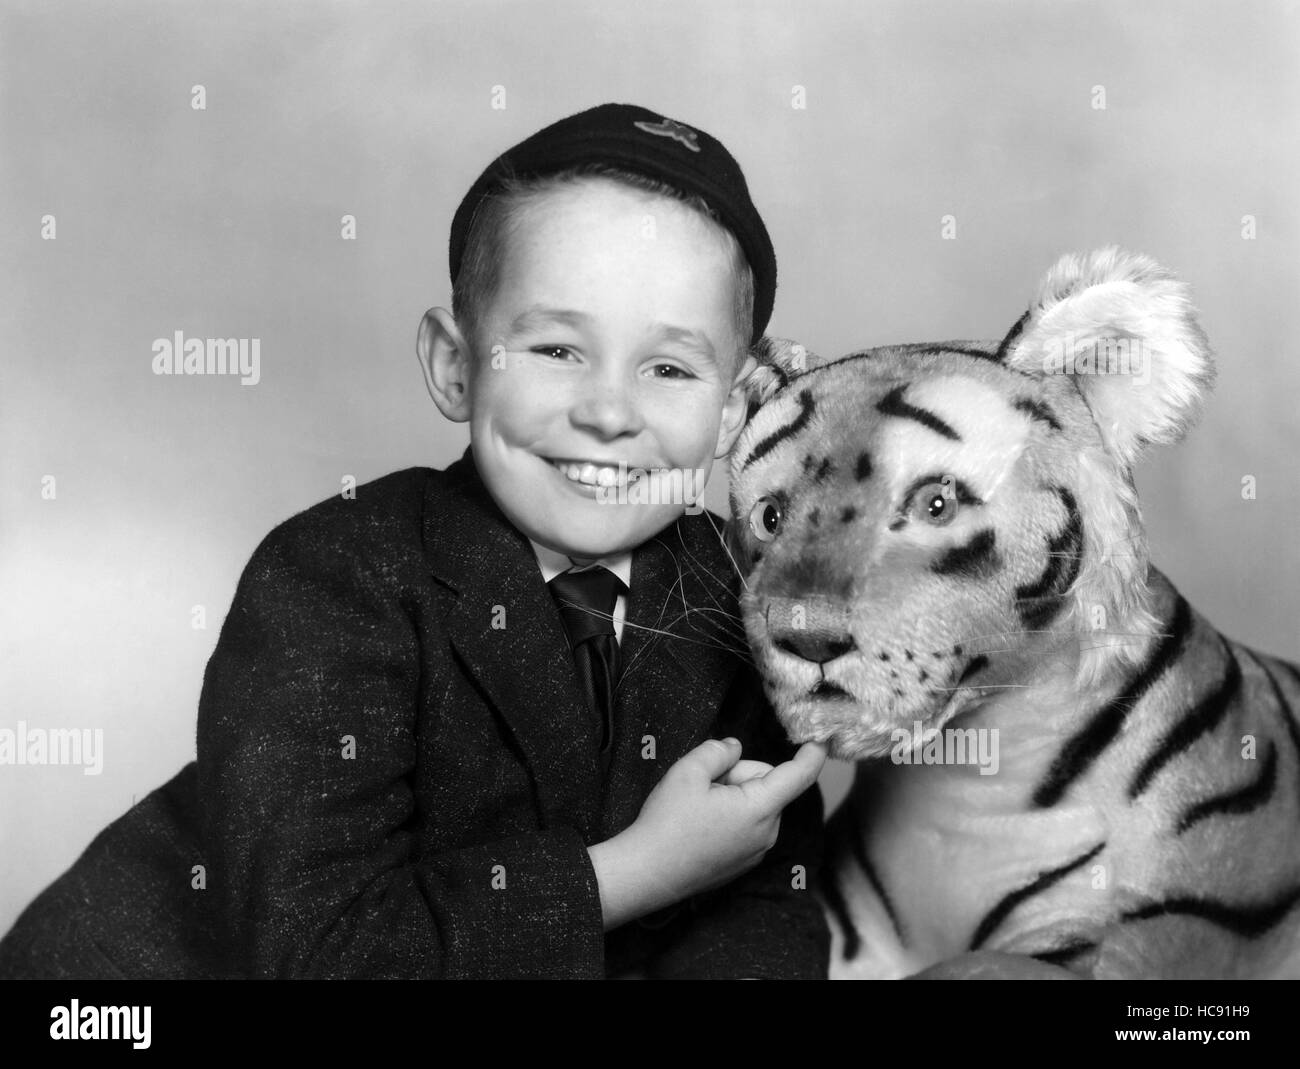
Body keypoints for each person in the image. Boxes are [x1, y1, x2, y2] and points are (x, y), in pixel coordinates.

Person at [0, 103, 830, 979]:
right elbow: (319, 953)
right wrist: (628, 875)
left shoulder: (740, 596)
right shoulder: (336, 576)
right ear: (455, 364)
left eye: (667, 368)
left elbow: (764, 902)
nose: (610, 412)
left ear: (734, 408)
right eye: (556, 350)